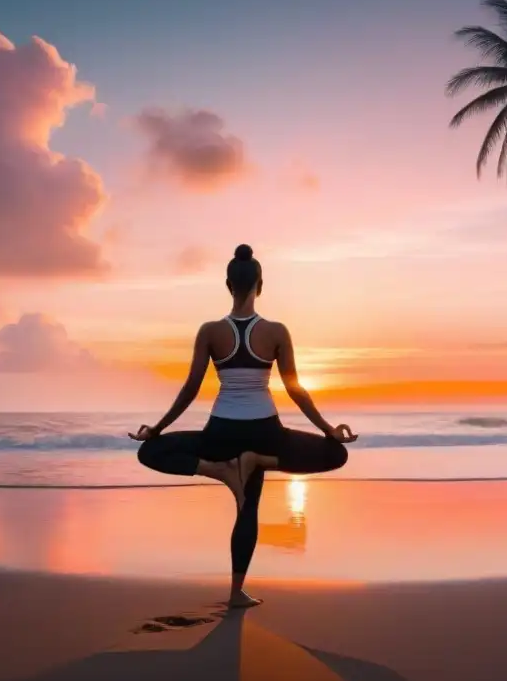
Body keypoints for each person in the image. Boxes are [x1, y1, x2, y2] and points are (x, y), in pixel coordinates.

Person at [130, 244, 357, 609]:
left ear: (227, 284)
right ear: (261, 285)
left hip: (220, 433)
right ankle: (254, 464)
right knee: (334, 455)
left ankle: (218, 469)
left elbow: (189, 390)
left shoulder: (210, 331)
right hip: (265, 434)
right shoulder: (277, 331)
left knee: (150, 451)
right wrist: (328, 428)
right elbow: (296, 389)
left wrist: (156, 428)